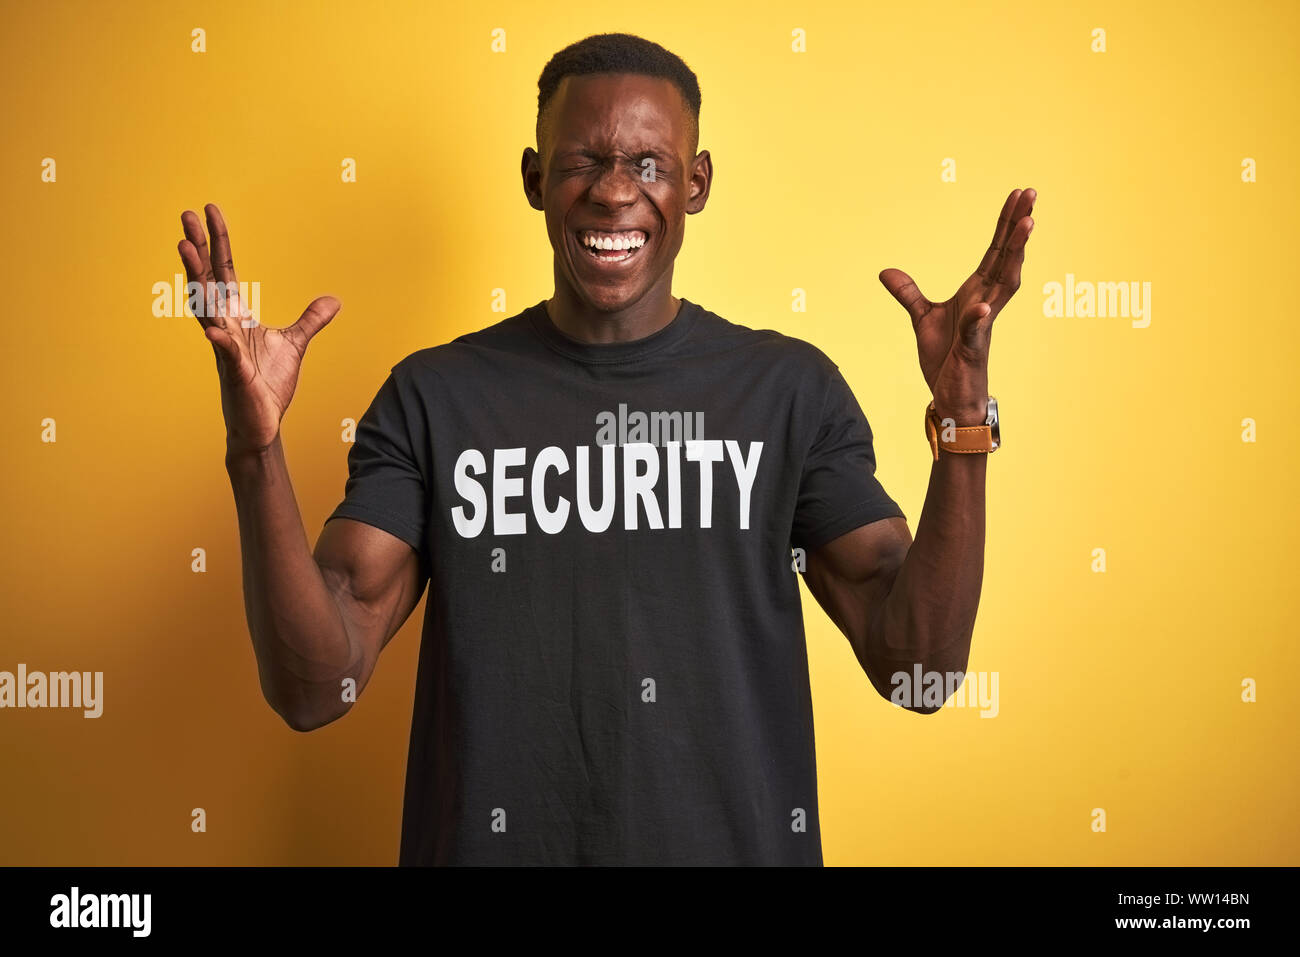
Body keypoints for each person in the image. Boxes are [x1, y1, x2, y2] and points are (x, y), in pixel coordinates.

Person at [177, 32, 1035, 866]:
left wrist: (963, 423)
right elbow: (312, 687)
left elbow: (917, 666)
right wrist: (257, 451)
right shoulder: (435, 397)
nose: (615, 192)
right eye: (583, 161)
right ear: (535, 178)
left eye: (650, 164)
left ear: (695, 184)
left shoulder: (787, 393)